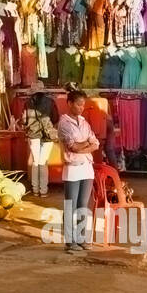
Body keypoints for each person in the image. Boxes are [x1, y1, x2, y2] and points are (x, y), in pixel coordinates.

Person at [57, 88, 99, 252]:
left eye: (83, 105)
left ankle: (81, 238)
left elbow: (95, 143)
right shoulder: (64, 123)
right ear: (69, 104)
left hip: (87, 168)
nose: (81, 108)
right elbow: (72, 146)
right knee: (71, 205)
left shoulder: (85, 122)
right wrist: (86, 146)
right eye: (79, 104)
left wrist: (83, 147)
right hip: (72, 168)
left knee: (83, 204)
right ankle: (70, 240)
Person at [21, 89, 58, 197]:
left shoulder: (27, 103)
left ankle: (35, 190)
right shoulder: (51, 102)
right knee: (43, 162)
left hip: (33, 135)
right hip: (48, 135)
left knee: (35, 162)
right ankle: (43, 191)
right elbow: (55, 118)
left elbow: (24, 120)